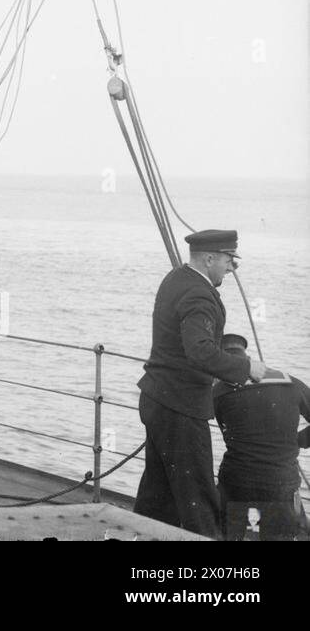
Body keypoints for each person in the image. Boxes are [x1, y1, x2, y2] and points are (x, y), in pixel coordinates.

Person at [133, 228, 269, 538]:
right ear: (209, 258)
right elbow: (200, 351)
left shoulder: (176, 279)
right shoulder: (199, 294)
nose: (232, 269)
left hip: (157, 398)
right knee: (199, 496)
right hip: (180, 407)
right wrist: (247, 367)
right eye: (229, 260)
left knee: (158, 492)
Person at [212, 332, 310, 540]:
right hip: (281, 483)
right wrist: (299, 441)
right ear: (247, 358)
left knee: (229, 534)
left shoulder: (218, 390)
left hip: (237, 482)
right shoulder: (290, 382)